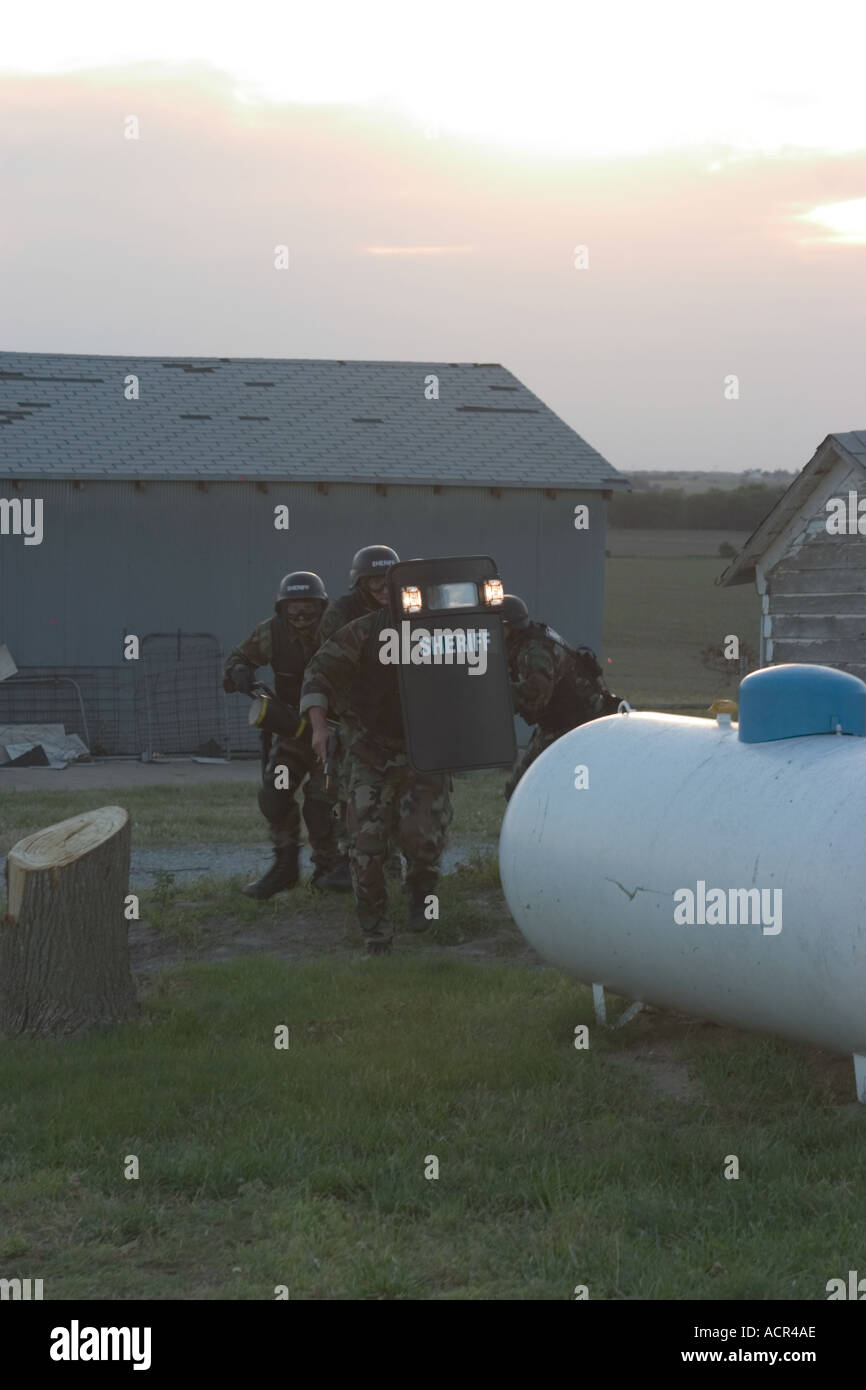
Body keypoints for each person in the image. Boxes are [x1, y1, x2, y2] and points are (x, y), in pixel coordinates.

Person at [299, 565, 452, 954]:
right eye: (379, 586)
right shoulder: (363, 632)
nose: (389, 594)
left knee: (422, 837)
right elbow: (317, 674)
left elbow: (473, 682)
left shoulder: (442, 633)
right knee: (365, 847)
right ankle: (377, 934)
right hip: (372, 752)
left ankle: (422, 897)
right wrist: (319, 729)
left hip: (424, 754)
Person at [222, 571, 342, 898]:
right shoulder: (271, 634)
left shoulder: (337, 631)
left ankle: (328, 872)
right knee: (275, 793)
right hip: (292, 734)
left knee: (320, 806)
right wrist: (240, 671)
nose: (301, 618)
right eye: (294, 610)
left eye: (309, 609)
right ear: (282, 610)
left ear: (322, 607)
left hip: (332, 738)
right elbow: (236, 659)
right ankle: (285, 866)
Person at [313, 545, 402, 893]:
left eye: (387, 580)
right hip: (355, 716)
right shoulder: (341, 614)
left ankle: (390, 863)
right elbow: (329, 664)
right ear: (360, 583)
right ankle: (352, 862)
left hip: (398, 717)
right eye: (374, 581)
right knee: (348, 790)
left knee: (396, 789)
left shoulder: (406, 607)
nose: (382, 587)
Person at [501, 594, 621, 800]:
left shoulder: (533, 650)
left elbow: (537, 693)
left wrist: (502, 698)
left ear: (509, 628)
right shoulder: (530, 640)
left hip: (577, 726)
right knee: (520, 789)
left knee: (525, 790)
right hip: (561, 723)